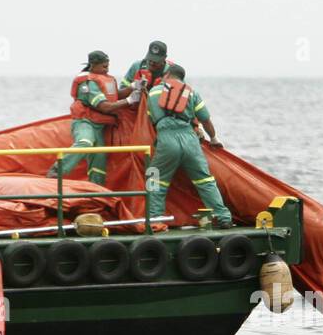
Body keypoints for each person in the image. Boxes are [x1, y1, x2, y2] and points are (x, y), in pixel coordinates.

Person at [145, 64, 233, 228]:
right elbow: (205, 119)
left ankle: (154, 219)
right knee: (205, 180)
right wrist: (213, 138)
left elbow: (150, 121)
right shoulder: (191, 92)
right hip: (190, 140)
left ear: (167, 75)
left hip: (166, 140)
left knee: (154, 178)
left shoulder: (154, 92)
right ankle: (223, 218)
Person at [50, 50, 140, 182]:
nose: (107, 69)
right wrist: (129, 101)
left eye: (108, 66)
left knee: (99, 162)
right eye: (104, 66)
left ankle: (96, 192)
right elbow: (105, 106)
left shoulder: (106, 80)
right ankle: (57, 171)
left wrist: (133, 87)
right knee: (85, 142)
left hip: (99, 126)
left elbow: (115, 96)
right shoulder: (88, 83)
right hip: (85, 122)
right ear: (93, 65)